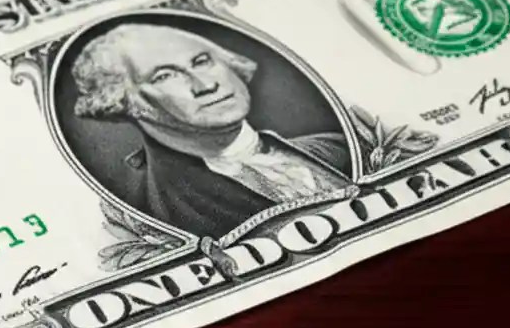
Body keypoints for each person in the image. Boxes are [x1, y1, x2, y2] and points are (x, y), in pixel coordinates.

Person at [72, 23, 351, 238]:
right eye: (165, 76)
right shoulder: (160, 216)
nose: (206, 85)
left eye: (202, 61)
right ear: (122, 101)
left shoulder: (337, 147)